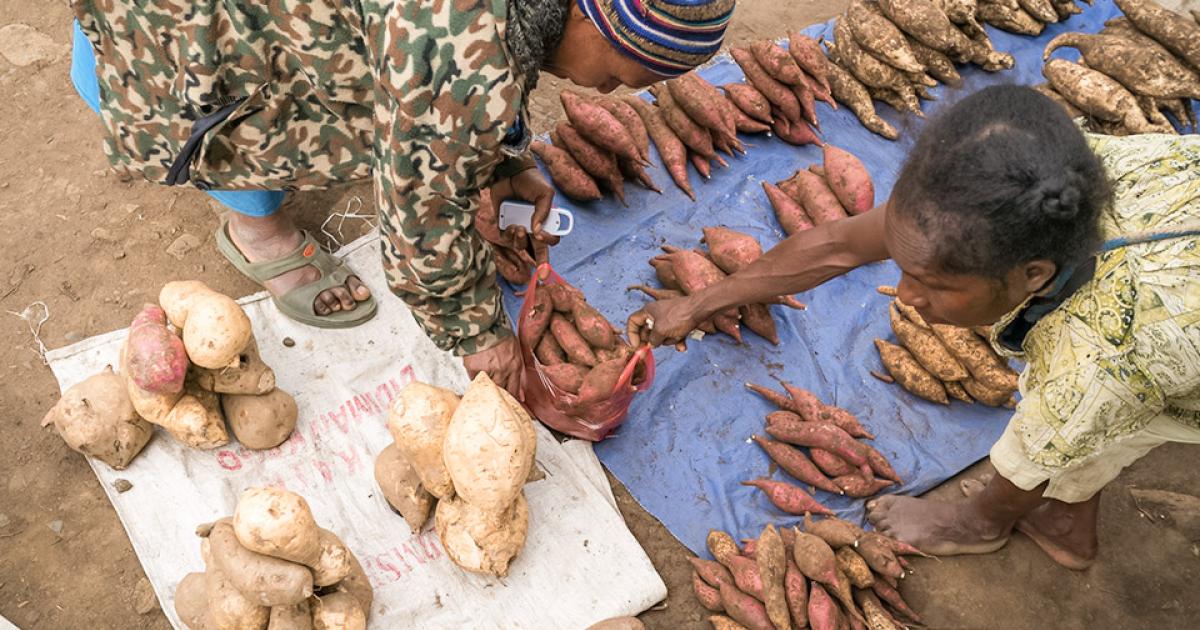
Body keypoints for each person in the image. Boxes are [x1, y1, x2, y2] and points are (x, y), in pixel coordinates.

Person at [628, 85, 1200, 570]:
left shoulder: (1105, 353)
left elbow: (1039, 444)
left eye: (933, 284)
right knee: (1103, 418)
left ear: (1033, 275)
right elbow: (839, 244)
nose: (903, 296)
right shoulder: (1037, 188)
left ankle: (978, 526)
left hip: (1170, 333)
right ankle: (1066, 522)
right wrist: (701, 302)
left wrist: (992, 504)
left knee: (1080, 423)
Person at [70, 0, 736, 395]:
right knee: (222, 97)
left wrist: (502, 156)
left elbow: (496, 47)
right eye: (618, 75)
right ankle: (257, 232)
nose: (607, 92)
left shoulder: (511, 26)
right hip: (177, 18)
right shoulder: (463, 54)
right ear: (592, 18)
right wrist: (478, 333)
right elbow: (418, 225)